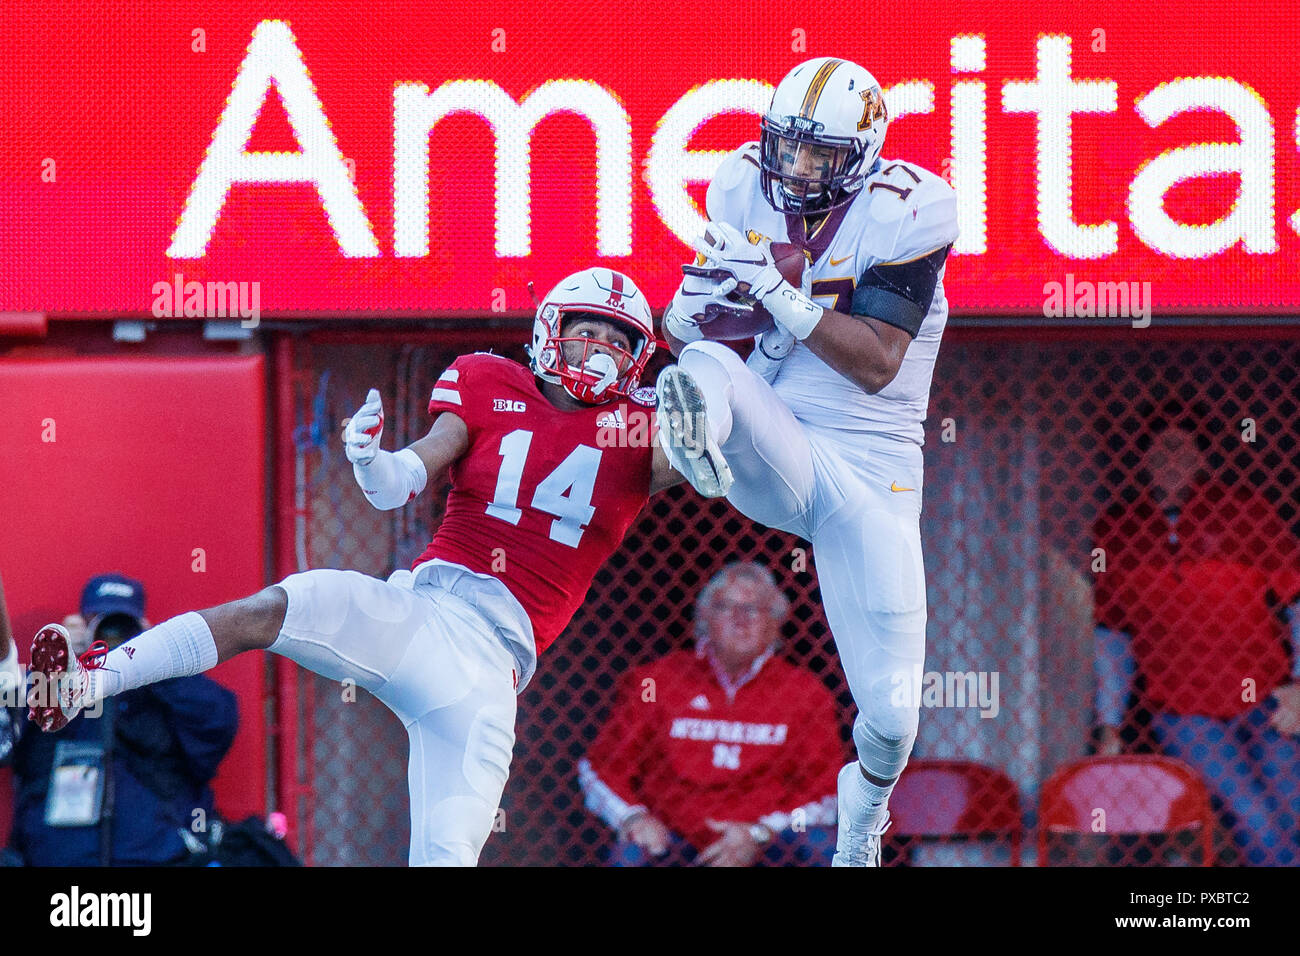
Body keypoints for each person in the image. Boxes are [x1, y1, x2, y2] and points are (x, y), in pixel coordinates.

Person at [28, 268, 697, 867]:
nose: (601, 352)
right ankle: (90, 683)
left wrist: (710, 411)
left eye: (618, 340)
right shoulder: (490, 381)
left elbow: (707, 471)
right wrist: (371, 459)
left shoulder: (642, 428)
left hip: (490, 675)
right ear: (551, 331)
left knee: (446, 854)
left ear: (639, 357)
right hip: (423, 615)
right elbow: (401, 480)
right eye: (588, 332)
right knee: (273, 608)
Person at [653, 57, 958, 865]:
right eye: (786, 148)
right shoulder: (737, 186)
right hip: (773, 427)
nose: (795, 169)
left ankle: (863, 823)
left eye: (819, 155)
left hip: (870, 469)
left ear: (862, 157)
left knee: (892, 718)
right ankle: (697, 443)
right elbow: (698, 332)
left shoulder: (912, 209)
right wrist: (686, 318)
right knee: (704, 370)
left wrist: (780, 292)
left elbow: (876, 361)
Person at [1092, 414, 1300, 865]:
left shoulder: (1245, 510)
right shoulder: (1119, 529)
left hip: (1266, 697)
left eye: (1183, 448)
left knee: (1291, 817)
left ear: (1201, 457)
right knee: (1256, 821)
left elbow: (1297, 600)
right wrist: (1109, 723)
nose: (1172, 459)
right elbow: (1113, 635)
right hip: (1183, 711)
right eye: (1162, 448)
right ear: (1143, 459)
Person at [579, 562, 840, 866]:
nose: (741, 619)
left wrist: (759, 832)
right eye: (726, 607)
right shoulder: (655, 681)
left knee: (824, 846)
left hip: (770, 838)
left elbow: (827, 789)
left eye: (754, 609)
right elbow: (601, 767)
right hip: (675, 836)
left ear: (775, 622)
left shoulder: (805, 692)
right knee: (632, 854)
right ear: (704, 617)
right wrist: (633, 818)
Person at [10, 574, 237, 866]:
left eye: (122, 627)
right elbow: (7, 722)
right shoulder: (52, 687)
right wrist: (60, 663)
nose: (112, 638)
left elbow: (218, 723)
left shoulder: (163, 690)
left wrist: (154, 657)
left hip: (155, 860)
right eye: (100, 622)